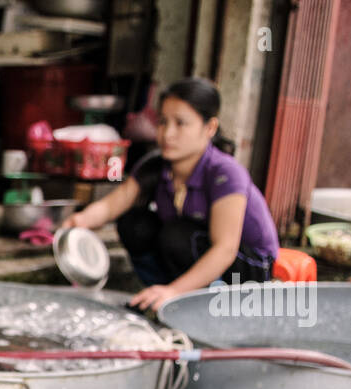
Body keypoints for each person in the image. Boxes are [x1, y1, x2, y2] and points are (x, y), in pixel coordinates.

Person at [61, 77, 278, 312]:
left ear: (210, 128)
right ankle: (158, 292)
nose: (168, 134)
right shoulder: (156, 166)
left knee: (176, 235)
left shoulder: (224, 173)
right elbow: (112, 205)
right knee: (134, 224)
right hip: (193, 248)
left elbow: (225, 249)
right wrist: (79, 221)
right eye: (163, 122)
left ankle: (195, 300)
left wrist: (175, 291)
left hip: (250, 267)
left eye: (180, 123)